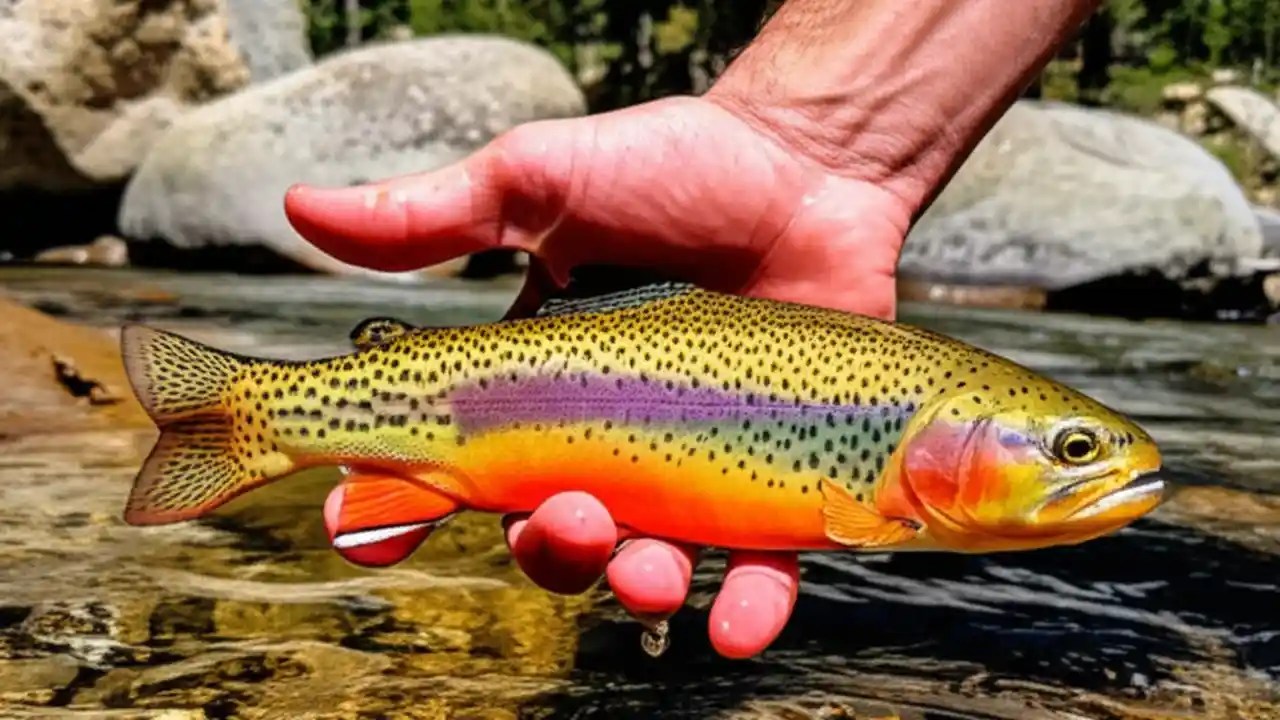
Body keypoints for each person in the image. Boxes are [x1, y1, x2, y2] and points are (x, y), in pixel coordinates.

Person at [283, 0, 1102, 659]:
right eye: (1073, 450)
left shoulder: (905, 450)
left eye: (1076, 450)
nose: (1084, 465)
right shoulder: (892, 493)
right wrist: (815, 135)